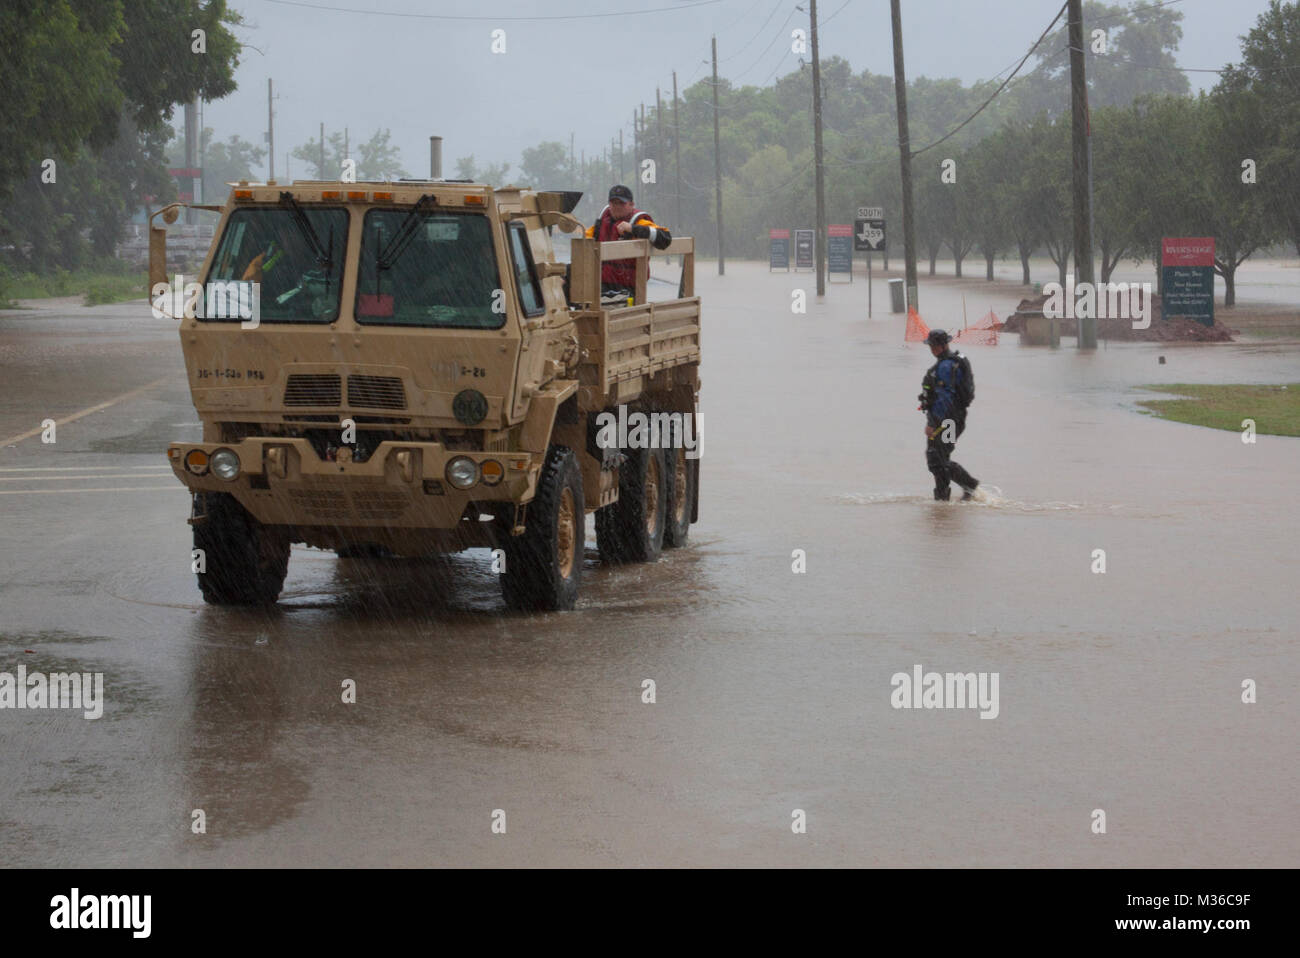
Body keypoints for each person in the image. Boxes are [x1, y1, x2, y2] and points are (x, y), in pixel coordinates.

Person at [919, 328, 979, 501]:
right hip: (952, 419)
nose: (931, 349)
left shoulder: (945, 367)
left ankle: (967, 486)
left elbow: (944, 398)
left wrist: (933, 422)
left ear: (938, 347)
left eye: (932, 345)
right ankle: (943, 499)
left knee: (937, 459)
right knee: (937, 458)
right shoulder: (950, 363)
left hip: (949, 421)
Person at [585, 185, 672, 299]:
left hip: (627, 289)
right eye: (613, 203)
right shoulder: (601, 223)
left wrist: (633, 229)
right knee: (564, 280)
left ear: (631, 205)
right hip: (600, 284)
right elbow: (584, 245)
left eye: (622, 203)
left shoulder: (639, 222)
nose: (617, 207)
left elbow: (665, 238)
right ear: (609, 204)